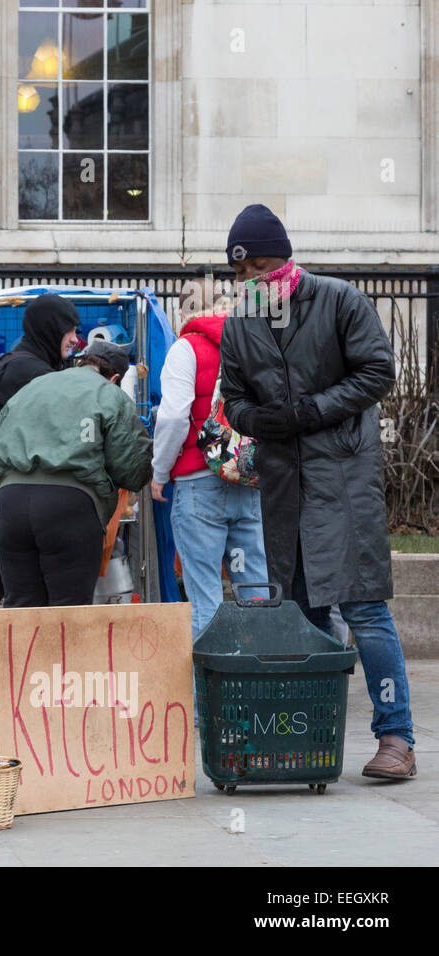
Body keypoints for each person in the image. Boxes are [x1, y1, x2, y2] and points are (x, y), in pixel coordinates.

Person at [218, 203, 416, 779]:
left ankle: (396, 738)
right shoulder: (239, 323)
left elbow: (378, 371)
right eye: (240, 272)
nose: (248, 281)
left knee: (364, 608)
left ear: (278, 259)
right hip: (285, 485)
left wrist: (311, 410)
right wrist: (256, 420)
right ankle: (303, 736)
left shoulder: (340, 300)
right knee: (302, 616)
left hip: (343, 482)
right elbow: (232, 399)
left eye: (255, 268)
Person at [0, 340, 152, 607]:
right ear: (114, 378)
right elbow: (132, 470)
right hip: (70, 508)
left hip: (10, 506)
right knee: (69, 614)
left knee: (20, 613)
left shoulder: (31, 388)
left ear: (80, 362)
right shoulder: (108, 394)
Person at [151, 274, 268, 639]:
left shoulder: (185, 349)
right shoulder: (254, 345)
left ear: (182, 309)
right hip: (247, 477)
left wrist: (159, 472)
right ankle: (260, 685)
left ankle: (209, 694)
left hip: (197, 482)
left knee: (206, 601)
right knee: (257, 596)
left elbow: (173, 415)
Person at [0, 294, 81, 608]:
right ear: (51, 329)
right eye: (70, 330)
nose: (76, 338)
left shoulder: (17, 363)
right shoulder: (32, 375)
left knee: (7, 584)